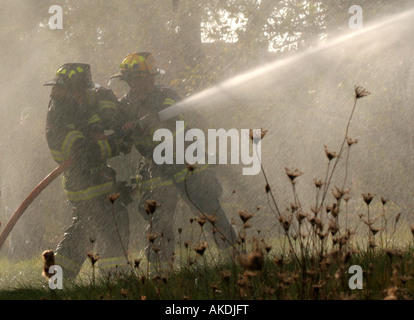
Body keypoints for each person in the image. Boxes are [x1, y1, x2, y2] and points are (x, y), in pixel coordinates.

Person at [110, 52, 237, 272]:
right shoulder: (125, 105)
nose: (146, 82)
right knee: (159, 219)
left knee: (210, 211)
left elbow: (173, 116)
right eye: (139, 79)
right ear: (130, 81)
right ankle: (161, 273)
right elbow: (120, 131)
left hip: (188, 161)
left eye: (148, 78)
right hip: (157, 167)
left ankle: (234, 262)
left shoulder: (166, 94)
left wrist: (146, 122)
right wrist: (120, 133)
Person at [44, 63, 132, 281]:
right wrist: (117, 143)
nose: (83, 96)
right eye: (80, 91)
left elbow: (103, 104)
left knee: (83, 230)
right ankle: (115, 278)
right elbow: (86, 152)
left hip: (93, 181)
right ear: (70, 90)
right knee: (114, 222)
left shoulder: (77, 106)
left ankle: (58, 281)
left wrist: (122, 124)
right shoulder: (60, 118)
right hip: (84, 185)